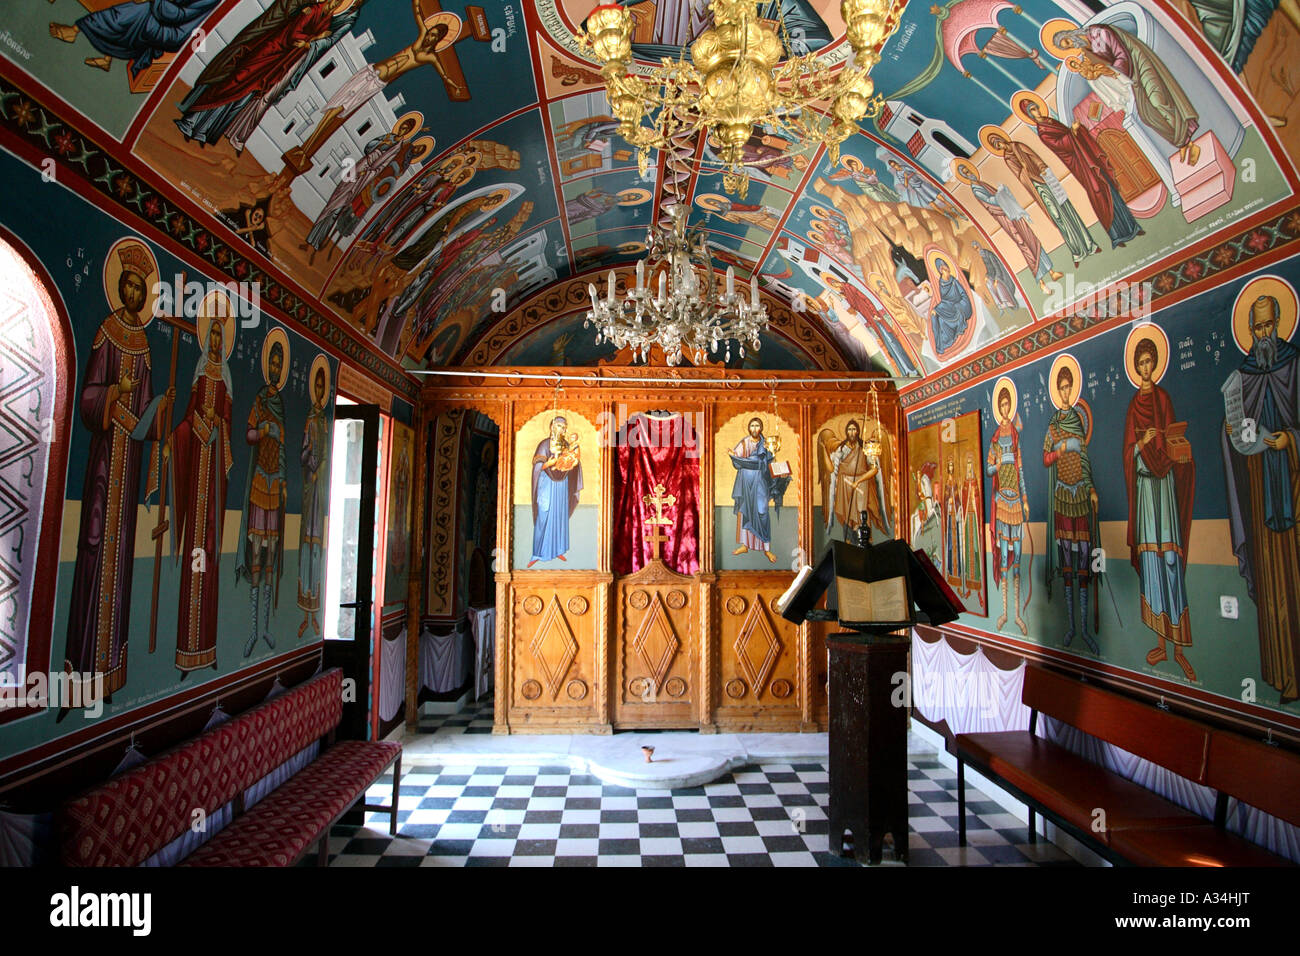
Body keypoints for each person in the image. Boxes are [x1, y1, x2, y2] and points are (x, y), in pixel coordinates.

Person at [63, 243, 172, 705]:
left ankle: (111, 669)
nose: (132, 291)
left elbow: (147, 413)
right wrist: (113, 394)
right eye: (128, 283)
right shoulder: (106, 334)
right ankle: (80, 670)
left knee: (121, 556)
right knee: (94, 547)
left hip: (129, 476)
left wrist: (160, 409)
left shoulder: (144, 345)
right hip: (107, 462)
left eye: (139, 287)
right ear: (120, 287)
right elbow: (87, 397)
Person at [1221, 294, 1300, 702]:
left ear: (1280, 322)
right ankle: (1281, 672)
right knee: (1273, 587)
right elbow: (1236, 430)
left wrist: (1291, 440)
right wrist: (1232, 436)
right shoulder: (1244, 376)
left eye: (1268, 326)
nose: (1263, 335)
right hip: (1261, 497)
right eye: (1257, 328)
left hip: (1294, 493)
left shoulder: (1296, 366)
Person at [1123, 336, 1196, 680]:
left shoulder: (1163, 399)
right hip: (1143, 491)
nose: (1145, 369)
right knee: (1151, 561)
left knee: (1169, 558)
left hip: (1163, 487)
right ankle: (1161, 644)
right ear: (1135, 368)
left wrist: (1163, 441)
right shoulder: (1132, 407)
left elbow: (1174, 437)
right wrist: (1142, 442)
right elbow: (1127, 454)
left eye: (1150, 362)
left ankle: (1179, 645)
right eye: (1141, 364)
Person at [167, 306, 234, 675]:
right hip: (197, 480)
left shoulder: (224, 378)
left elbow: (228, 420)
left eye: (221, 338)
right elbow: (189, 414)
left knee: (210, 552)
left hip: (214, 483)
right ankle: (185, 650)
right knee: (195, 545)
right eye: (213, 337)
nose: (217, 343)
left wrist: (217, 427)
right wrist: (190, 428)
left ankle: (205, 648)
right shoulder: (198, 378)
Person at [1054, 24, 1201, 165]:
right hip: (1129, 76)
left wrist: (1114, 74)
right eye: (1067, 47)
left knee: (1158, 101)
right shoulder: (1086, 52)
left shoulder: (1099, 32)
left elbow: (1121, 56)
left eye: (1067, 41)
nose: (1071, 45)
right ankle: (1182, 143)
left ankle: (1190, 143)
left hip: (1138, 62)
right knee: (1147, 116)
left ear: (1070, 33)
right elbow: (1102, 69)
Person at [1020, 97, 1143, 250]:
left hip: (1085, 157)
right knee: (1098, 193)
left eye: (1036, 107)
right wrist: (1072, 131)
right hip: (1079, 164)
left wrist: (1076, 130)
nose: (1036, 111)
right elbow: (1059, 145)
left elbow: (1068, 136)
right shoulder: (1043, 131)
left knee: (1109, 188)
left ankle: (1132, 227)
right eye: (1032, 110)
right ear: (1029, 114)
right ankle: (1116, 236)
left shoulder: (1049, 121)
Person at [236, 334, 288, 657]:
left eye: (278, 364)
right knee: (256, 554)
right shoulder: (259, 399)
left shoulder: (280, 404)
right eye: (272, 362)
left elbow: (283, 448)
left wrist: (283, 480)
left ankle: (265, 629)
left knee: (270, 559)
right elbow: (248, 434)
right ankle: (252, 630)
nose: (274, 367)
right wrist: (263, 432)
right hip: (258, 483)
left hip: (274, 484)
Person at [1043, 363, 1100, 653]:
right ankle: (1071, 627)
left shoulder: (1077, 420)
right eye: (1061, 387)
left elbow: (1085, 457)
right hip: (1062, 497)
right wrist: (1060, 450)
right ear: (1057, 390)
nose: (1065, 392)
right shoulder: (1053, 423)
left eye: (1068, 387)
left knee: (1084, 565)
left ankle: (1086, 629)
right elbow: (1045, 458)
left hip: (1080, 496)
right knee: (1067, 564)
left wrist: (1090, 487)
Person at [985, 129, 1100, 267]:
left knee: (1069, 211)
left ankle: (1090, 244)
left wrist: (1040, 167)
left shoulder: (1018, 146)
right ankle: (1077, 252)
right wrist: (1026, 170)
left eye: (996, 140)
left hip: (1046, 181)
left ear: (1001, 138)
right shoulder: (1008, 158)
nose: (997, 144)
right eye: (994, 144)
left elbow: (1035, 157)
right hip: (1037, 188)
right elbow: (1020, 175)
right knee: (1058, 219)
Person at [49, 0, 219, 76]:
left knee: (137, 12)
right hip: (164, 18)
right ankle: (107, 58)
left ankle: (76, 29)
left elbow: (178, 15)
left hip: (174, 33)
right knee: (136, 10)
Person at [986, 385, 1029, 633]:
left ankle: (1018, 616)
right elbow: (990, 470)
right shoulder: (994, 440)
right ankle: (1003, 613)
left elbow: (1020, 469)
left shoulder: (1015, 437)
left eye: (1007, 405)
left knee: (1018, 560)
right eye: (1001, 405)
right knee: (1004, 558)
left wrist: (1024, 498)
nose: (1004, 409)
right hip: (1002, 502)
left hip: (1016, 503)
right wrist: (998, 463)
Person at [298, 358, 330, 638]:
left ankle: (316, 611)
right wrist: (311, 463)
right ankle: (306, 612)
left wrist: (322, 467)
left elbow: (328, 454)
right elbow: (302, 454)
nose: (319, 390)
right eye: (317, 385)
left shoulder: (325, 422)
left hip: (321, 492)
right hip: (311, 490)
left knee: (318, 547)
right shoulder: (310, 419)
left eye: (322, 386)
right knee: (307, 547)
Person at [528, 416, 583, 566]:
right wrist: (548, 463)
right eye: (560, 427)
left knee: (559, 516)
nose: (563, 430)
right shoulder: (544, 444)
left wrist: (573, 462)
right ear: (552, 426)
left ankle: (558, 549)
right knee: (543, 515)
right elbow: (537, 466)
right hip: (546, 484)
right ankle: (537, 553)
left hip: (562, 485)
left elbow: (572, 462)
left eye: (565, 427)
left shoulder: (566, 444)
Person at [729, 418, 778, 562]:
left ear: (761, 428)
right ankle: (745, 545)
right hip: (746, 482)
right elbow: (737, 459)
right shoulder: (744, 442)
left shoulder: (766, 443)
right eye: (752, 426)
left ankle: (766, 549)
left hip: (761, 482)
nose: (755, 428)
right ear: (749, 428)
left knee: (762, 511)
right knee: (746, 511)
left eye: (757, 426)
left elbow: (771, 460)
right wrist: (733, 455)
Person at [928, 258, 973, 356]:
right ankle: (943, 343)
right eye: (942, 269)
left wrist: (960, 304)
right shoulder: (941, 283)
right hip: (949, 306)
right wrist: (936, 310)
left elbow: (963, 294)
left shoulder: (954, 281)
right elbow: (944, 300)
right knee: (938, 318)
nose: (944, 271)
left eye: (945, 268)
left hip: (959, 305)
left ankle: (948, 338)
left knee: (942, 318)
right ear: (940, 271)